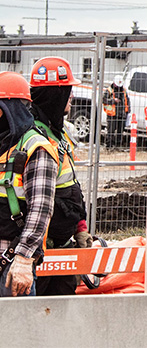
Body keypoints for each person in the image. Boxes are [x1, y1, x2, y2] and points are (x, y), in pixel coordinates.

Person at [28, 57, 91, 297]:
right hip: (39, 251)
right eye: (67, 90)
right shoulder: (33, 138)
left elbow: (71, 186)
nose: (71, 96)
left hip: (63, 244)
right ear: (55, 94)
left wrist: (80, 228)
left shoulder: (61, 133)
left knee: (63, 308)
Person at [0, 71, 60, 297]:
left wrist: (24, 259)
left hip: (12, 263)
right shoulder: (3, 144)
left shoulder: (36, 147)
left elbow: (41, 209)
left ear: (9, 109)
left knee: (16, 321)